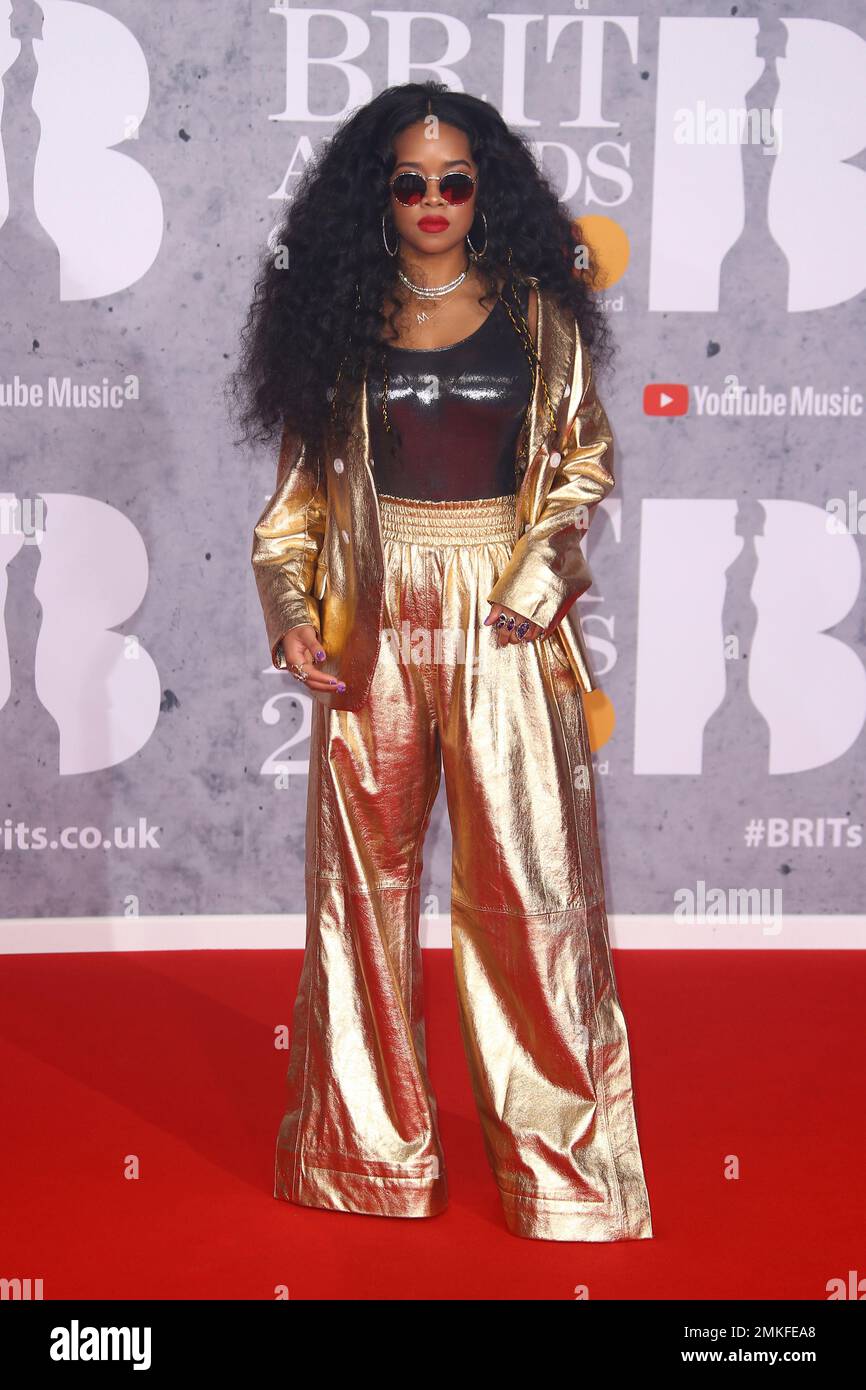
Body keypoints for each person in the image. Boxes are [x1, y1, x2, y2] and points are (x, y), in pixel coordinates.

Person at [231, 81, 653, 1242]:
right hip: (372, 617)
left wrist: (532, 586)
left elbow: (578, 468)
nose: (431, 201)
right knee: (357, 895)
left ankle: (561, 1177)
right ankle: (364, 1155)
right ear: (380, 193)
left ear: (485, 192)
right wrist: (292, 613)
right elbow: (293, 515)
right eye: (408, 181)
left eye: (453, 181)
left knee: (530, 888)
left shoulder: (535, 317)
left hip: (504, 616)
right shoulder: (337, 324)